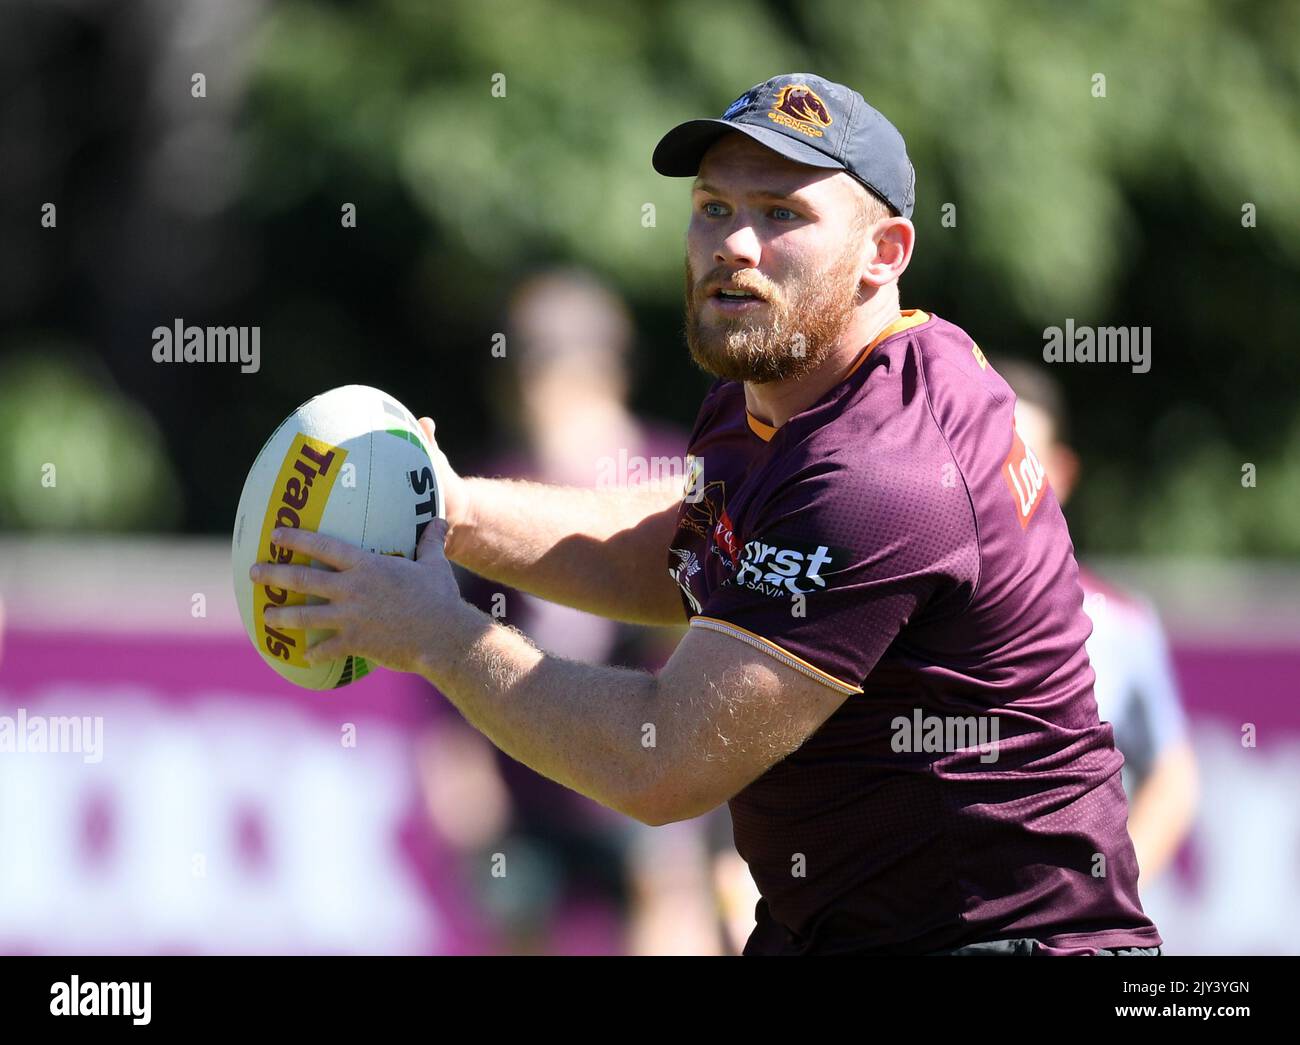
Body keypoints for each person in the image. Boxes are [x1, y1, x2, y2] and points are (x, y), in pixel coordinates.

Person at [251, 73, 1162, 955]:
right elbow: (679, 555)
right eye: (714, 207)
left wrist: (436, 635)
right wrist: (454, 508)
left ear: (885, 253)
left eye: (783, 214)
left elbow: (663, 758)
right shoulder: (775, 384)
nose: (734, 244)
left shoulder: (887, 470)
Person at [998, 361, 1199, 885]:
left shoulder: (1121, 623)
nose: (1005, 484)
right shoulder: (896, 596)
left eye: (1026, 463)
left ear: (1062, 474)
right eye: (988, 460)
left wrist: (1108, 891)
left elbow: (1172, 775)